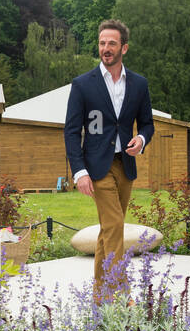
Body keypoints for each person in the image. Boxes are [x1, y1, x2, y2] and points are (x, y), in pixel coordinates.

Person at [64, 19, 155, 303]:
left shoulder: (139, 84)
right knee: (114, 224)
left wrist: (140, 141)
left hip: (125, 165)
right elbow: (71, 130)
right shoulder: (82, 85)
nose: (106, 48)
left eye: (112, 43)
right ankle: (121, 293)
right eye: (102, 43)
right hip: (96, 167)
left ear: (123, 48)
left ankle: (100, 298)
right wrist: (79, 171)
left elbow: (148, 124)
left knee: (109, 229)